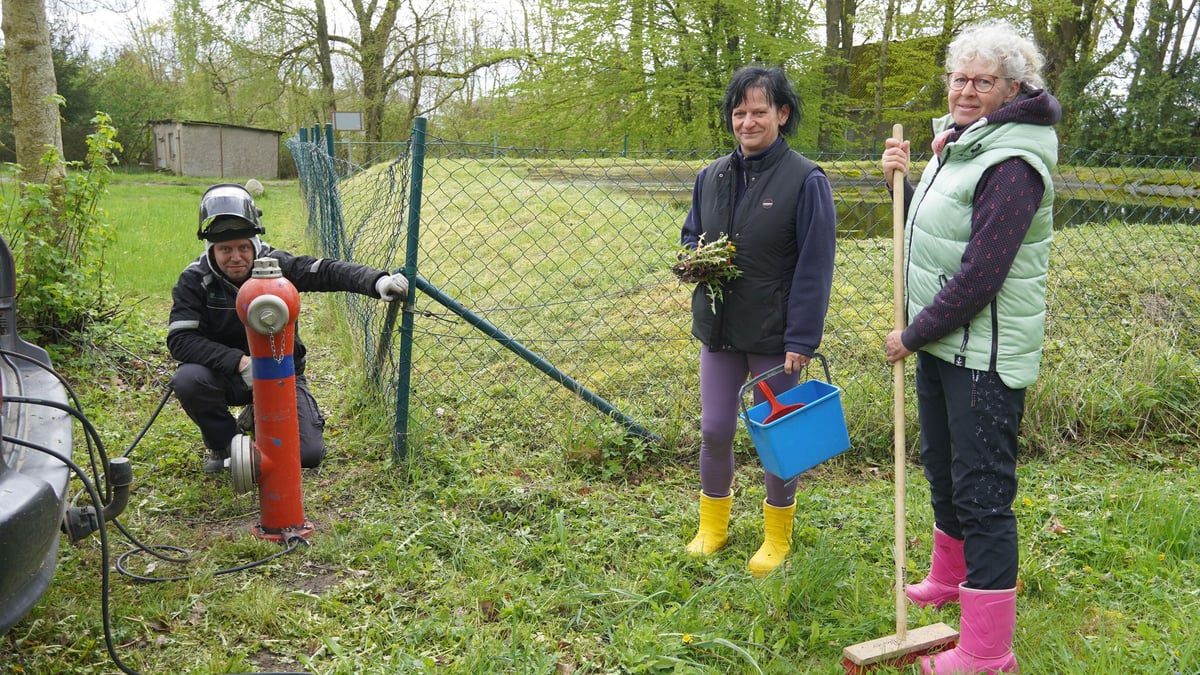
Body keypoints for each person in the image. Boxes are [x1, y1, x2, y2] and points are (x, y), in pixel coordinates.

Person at [880, 20, 1061, 674]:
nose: (964, 90)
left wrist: (911, 333)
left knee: (984, 491)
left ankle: (987, 651)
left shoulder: (1013, 161)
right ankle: (949, 576)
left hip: (980, 352)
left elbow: (980, 276)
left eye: (982, 81)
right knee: (943, 463)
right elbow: (929, 237)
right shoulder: (961, 142)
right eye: (959, 78)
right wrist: (900, 178)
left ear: (1014, 88)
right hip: (942, 343)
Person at [679, 66, 837, 578]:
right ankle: (713, 527)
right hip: (720, 330)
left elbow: (816, 264)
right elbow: (692, 236)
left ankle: (776, 537)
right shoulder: (711, 177)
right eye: (739, 112)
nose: (747, 122)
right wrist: (694, 261)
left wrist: (802, 339)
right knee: (716, 428)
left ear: (782, 115)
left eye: (759, 111)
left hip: (776, 337)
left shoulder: (806, 180)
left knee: (776, 437)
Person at [168, 183, 409, 474]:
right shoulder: (195, 280)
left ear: (255, 244)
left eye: (244, 247)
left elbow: (325, 271)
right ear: (211, 249)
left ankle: (261, 415)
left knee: (307, 454)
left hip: (282, 373)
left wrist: (376, 281)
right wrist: (239, 363)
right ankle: (226, 445)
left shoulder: (275, 266)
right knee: (188, 379)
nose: (236, 257)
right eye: (225, 249)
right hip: (229, 375)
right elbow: (181, 339)